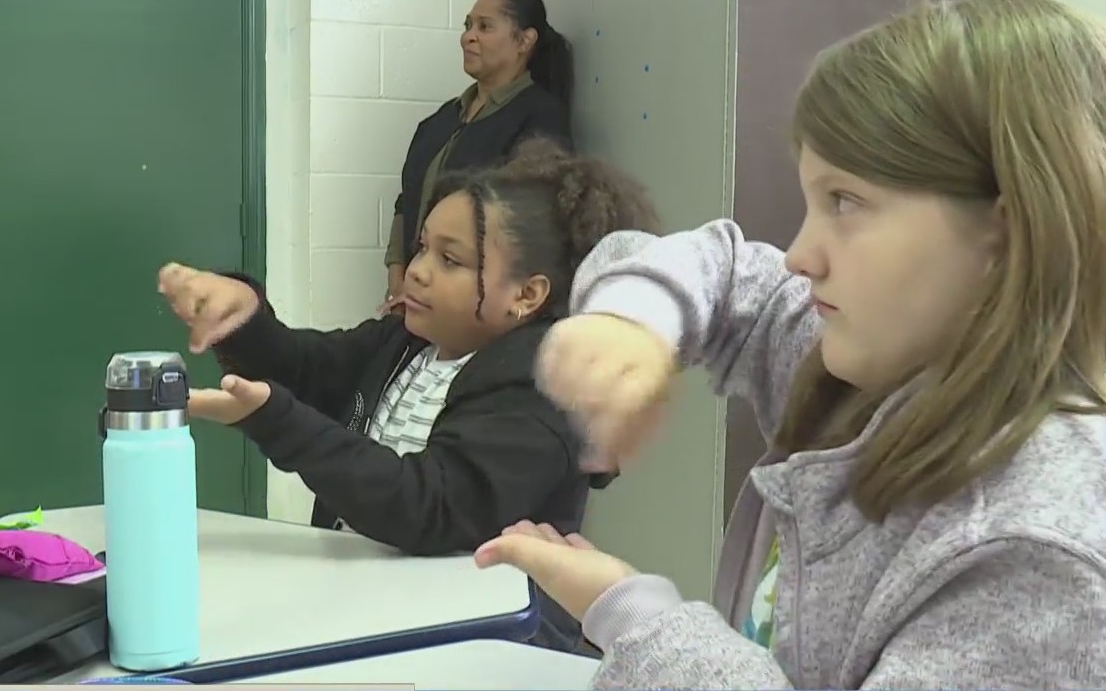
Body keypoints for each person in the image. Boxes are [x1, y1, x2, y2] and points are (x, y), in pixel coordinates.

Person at [474, 0, 1106, 688]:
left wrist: (629, 613)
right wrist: (634, 319)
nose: (801, 254)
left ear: (1002, 232)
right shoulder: (876, 357)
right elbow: (728, 270)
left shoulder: (1033, 553)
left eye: (844, 201)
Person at [156, 138, 661, 653]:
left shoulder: (543, 390)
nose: (418, 269)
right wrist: (244, 318)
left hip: (489, 649)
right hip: (379, 612)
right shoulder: (406, 341)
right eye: (422, 247)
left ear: (526, 295)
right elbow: (308, 369)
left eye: (450, 260)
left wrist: (277, 421)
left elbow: (428, 505)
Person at [381, 0, 575, 315]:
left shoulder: (540, 119)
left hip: (476, 313)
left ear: (524, 41)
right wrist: (398, 276)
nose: (468, 37)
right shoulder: (439, 121)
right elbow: (407, 203)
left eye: (484, 27)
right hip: (416, 304)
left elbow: (529, 226)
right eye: (467, 25)